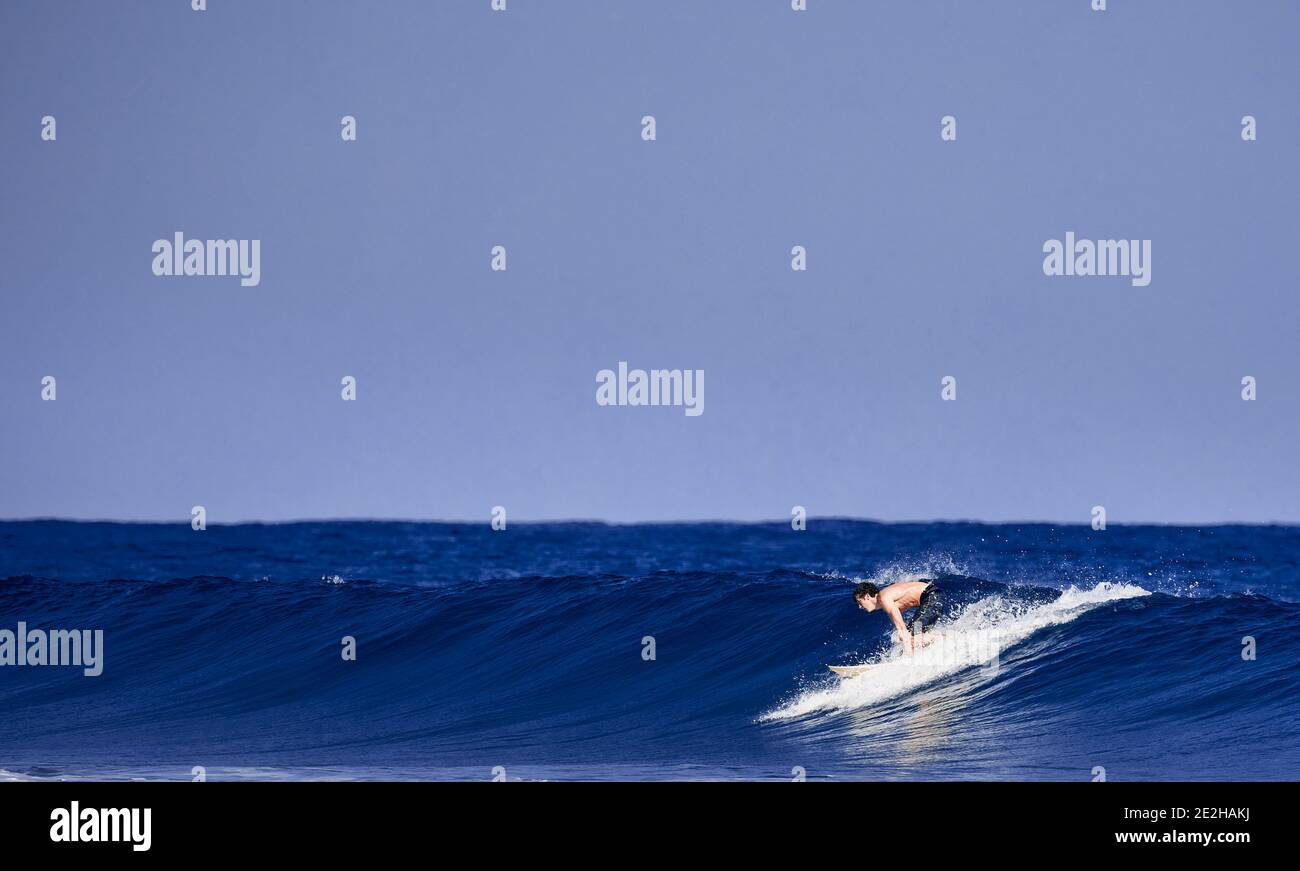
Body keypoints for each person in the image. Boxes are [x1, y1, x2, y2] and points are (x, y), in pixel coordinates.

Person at [853, 579, 945, 653]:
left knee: (913, 635)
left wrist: (904, 636)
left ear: (867, 596)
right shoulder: (886, 600)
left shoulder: (883, 598)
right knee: (911, 636)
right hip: (931, 597)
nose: (859, 607)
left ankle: (945, 639)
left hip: (931, 596)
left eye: (859, 602)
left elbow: (902, 629)